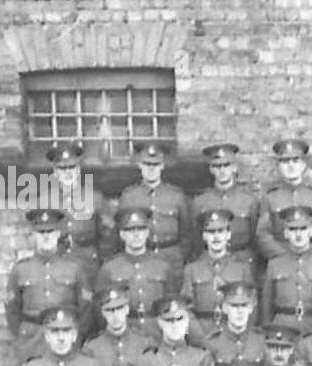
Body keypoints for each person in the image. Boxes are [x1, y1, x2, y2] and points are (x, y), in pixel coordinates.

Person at [5, 208, 92, 363]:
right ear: (33, 235)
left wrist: (75, 335)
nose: (46, 237)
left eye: (50, 232)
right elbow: (12, 308)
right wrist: (23, 334)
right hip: (32, 342)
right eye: (41, 232)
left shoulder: (73, 268)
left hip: (65, 339)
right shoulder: (21, 269)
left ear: (58, 234)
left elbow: (85, 307)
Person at [95, 207, 180, 344]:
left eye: (140, 229)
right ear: (122, 235)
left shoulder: (163, 266)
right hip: (125, 334)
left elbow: (172, 306)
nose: (136, 235)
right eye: (130, 230)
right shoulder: (110, 268)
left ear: (147, 232)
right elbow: (100, 311)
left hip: (156, 332)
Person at [258, 205, 312, 332]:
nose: (298, 234)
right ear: (286, 233)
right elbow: (266, 306)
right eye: (293, 229)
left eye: (303, 228)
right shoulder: (274, 264)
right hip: (283, 326)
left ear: (311, 232)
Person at [181, 209, 255, 347]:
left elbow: (252, 307)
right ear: (204, 236)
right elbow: (186, 309)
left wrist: (239, 336)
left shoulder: (241, 268)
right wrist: (201, 338)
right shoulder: (192, 269)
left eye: (220, 231)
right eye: (211, 232)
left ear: (228, 235)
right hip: (202, 333)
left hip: (233, 335)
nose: (216, 237)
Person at [117, 140, 193, 271]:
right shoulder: (129, 196)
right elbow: (119, 233)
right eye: (147, 164)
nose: (151, 168)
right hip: (141, 258)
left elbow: (187, 233)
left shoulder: (176, 196)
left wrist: (179, 256)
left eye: (155, 164)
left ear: (162, 166)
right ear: (139, 165)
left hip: (171, 258)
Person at [256, 137, 312, 262]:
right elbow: (263, 234)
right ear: (278, 166)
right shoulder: (270, 197)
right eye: (285, 161)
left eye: (295, 160)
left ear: (304, 165)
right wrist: (282, 256)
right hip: (280, 261)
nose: (291, 166)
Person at [46, 140, 103, 287]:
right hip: (58, 262)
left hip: (88, 263)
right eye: (62, 168)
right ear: (55, 172)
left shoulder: (94, 197)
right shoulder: (45, 200)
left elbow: (107, 236)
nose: (67, 172)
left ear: (78, 169)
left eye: (71, 167)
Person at [192, 142, 259, 261]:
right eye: (217, 166)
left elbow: (255, 238)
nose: (222, 170)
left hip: (242, 261)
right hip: (211, 261)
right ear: (211, 169)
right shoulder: (200, 202)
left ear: (234, 167)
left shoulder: (249, 201)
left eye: (226, 165)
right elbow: (196, 240)